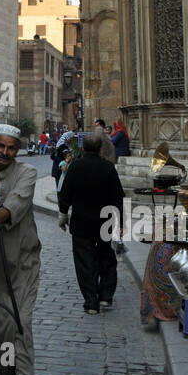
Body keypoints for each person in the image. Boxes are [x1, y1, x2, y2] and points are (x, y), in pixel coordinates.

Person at [0, 126, 42, 375]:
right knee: (1, 328)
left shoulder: (27, 173)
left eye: (10, 148)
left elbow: (13, 207)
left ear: (17, 150)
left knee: (22, 325)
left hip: (22, 265)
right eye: (0, 146)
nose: (4, 153)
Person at [58, 131, 125, 314]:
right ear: (100, 148)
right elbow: (117, 198)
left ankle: (90, 301)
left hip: (82, 223)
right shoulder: (108, 168)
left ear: (83, 148)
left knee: (84, 261)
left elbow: (65, 193)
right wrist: (120, 224)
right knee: (107, 259)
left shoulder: (75, 167)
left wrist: (63, 214)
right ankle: (105, 297)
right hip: (105, 222)